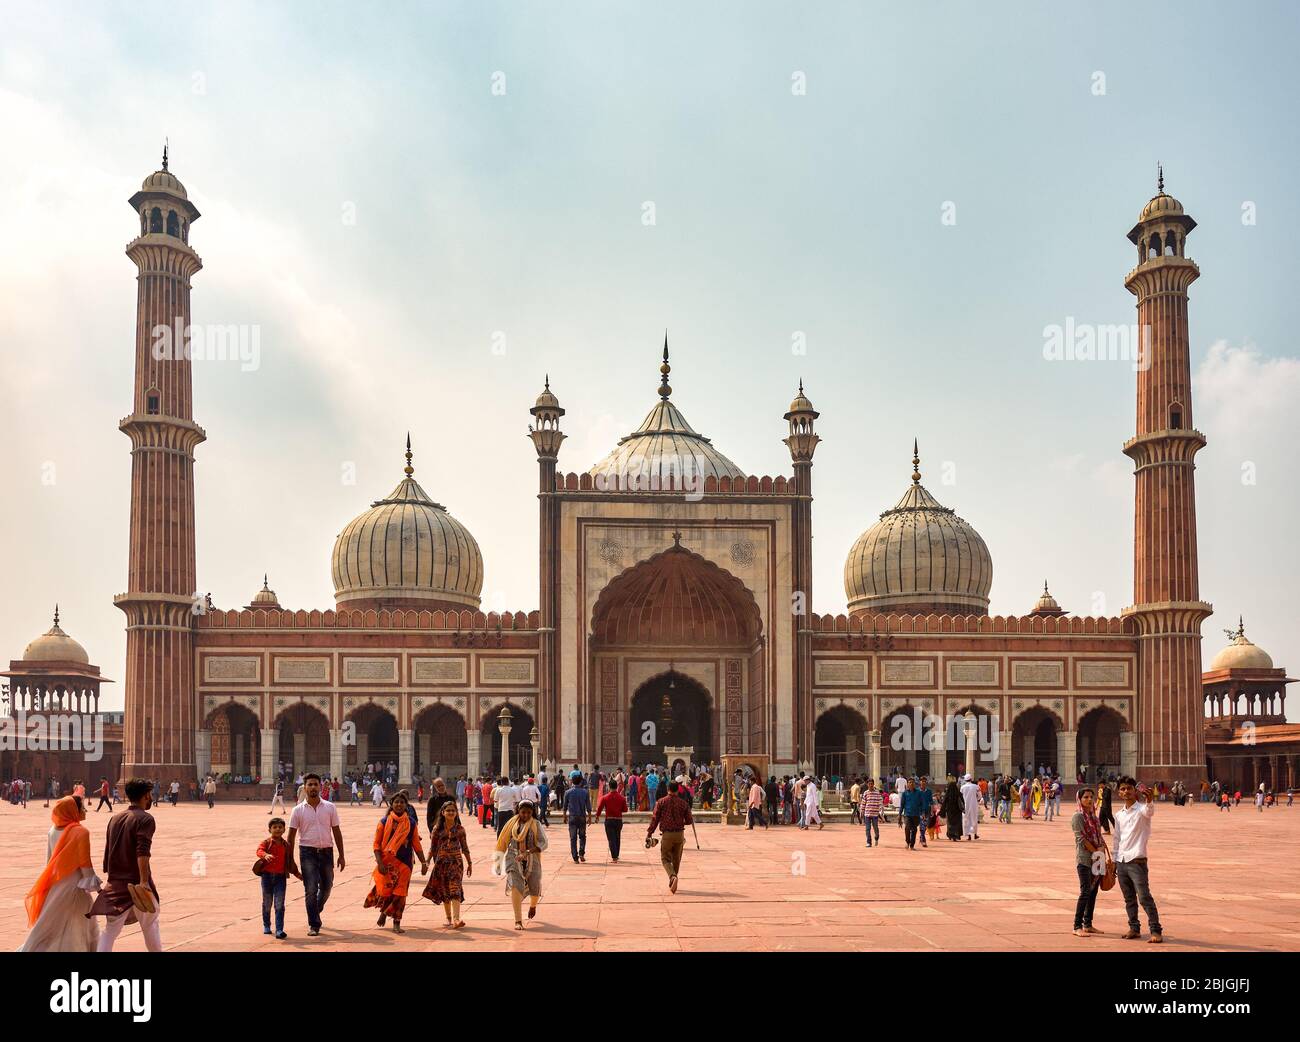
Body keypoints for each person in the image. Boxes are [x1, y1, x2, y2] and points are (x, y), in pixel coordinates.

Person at [88, 778, 162, 952]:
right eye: (150, 795)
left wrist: (110, 875)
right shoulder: (145, 819)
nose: (151, 798)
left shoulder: (116, 818)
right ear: (145, 796)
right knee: (150, 924)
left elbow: (109, 849)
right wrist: (144, 882)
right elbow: (142, 852)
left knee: (110, 930)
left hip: (116, 882)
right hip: (136, 883)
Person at [20, 795, 101, 952]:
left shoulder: (52, 831)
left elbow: (49, 863)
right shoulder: (81, 832)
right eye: (82, 808)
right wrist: (98, 888)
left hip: (56, 885)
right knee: (77, 923)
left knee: (50, 924)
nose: (84, 810)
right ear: (73, 811)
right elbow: (85, 865)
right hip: (75, 885)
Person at [285, 773, 346, 937]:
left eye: (315, 784)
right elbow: (290, 837)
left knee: (327, 887)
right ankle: (314, 923)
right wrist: (290, 860)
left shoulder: (330, 807)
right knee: (310, 889)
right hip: (307, 852)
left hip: (326, 851)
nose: (312, 787)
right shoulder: (297, 810)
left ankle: (315, 910)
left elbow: (337, 832)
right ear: (304, 788)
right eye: (309, 785)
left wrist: (342, 854)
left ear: (321, 787)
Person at [365, 790, 427, 934]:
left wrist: (423, 863)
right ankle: (384, 911)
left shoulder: (411, 823)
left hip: (405, 863)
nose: (399, 804)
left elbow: (416, 844)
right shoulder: (384, 822)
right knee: (387, 891)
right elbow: (376, 844)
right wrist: (380, 863)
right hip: (387, 862)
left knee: (401, 893)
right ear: (391, 804)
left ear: (406, 805)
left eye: (402, 802)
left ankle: (396, 921)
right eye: (396, 802)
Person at [1111, 776, 1162, 943]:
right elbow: (1117, 838)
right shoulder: (1118, 815)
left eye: (1129, 788)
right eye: (1123, 789)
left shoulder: (1142, 810)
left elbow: (1150, 811)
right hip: (1122, 860)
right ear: (1119, 792)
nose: (1126, 791)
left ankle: (1155, 930)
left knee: (1144, 897)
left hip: (1137, 860)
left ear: (1135, 791)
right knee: (1129, 898)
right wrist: (1114, 860)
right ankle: (1134, 928)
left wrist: (1149, 800)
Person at [494, 799, 546, 929]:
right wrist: (498, 863)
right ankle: (518, 920)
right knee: (516, 886)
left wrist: (528, 852)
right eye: (523, 812)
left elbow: (543, 842)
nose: (526, 815)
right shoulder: (511, 824)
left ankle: (533, 906)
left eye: (529, 813)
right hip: (513, 857)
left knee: (534, 885)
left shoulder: (536, 824)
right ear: (518, 811)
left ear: (532, 812)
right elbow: (502, 842)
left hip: (532, 857)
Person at [422, 800, 472, 927]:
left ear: (456, 813)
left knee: (455, 889)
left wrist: (470, 863)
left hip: (456, 864)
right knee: (445, 890)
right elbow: (432, 848)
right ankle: (449, 918)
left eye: (453, 810)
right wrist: (427, 862)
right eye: (448, 810)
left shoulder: (460, 829)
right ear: (443, 813)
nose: (450, 812)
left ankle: (456, 919)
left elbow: (465, 848)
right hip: (441, 864)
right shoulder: (437, 829)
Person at [1070, 787, 1107, 938]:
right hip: (1085, 859)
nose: (1089, 800)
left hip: (1098, 859)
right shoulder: (1078, 816)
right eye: (1085, 797)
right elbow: (1081, 839)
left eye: (1091, 797)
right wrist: (1096, 852)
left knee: (1093, 892)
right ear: (1080, 799)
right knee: (1085, 891)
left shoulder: (1094, 817)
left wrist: (1102, 851)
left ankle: (1088, 924)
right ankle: (1077, 926)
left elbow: (1099, 836)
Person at [256, 816, 300, 939]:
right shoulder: (266, 843)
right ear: (269, 830)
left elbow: (290, 862)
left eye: (280, 827)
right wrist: (265, 855)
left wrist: (298, 874)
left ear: (284, 830)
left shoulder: (286, 845)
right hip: (267, 877)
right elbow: (259, 851)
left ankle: (279, 929)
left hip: (280, 877)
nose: (277, 829)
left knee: (279, 903)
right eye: (274, 827)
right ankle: (267, 925)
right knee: (267, 902)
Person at [646, 781, 693, 893]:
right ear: (677, 790)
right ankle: (673, 878)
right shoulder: (683, 803)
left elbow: (655, 819)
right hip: (679, 834)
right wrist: (680, 821)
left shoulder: (661, 802)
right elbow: (689, 820)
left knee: (665, 858)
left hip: (667, 834)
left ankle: (672, 876)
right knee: (676, 860)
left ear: (668, 789)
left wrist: (650, 833)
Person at [593, 779, 628, 862]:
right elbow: (625, 810)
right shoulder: (622, 798)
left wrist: (597, 817)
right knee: (617, 837)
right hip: (618, 820)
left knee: (611, 839)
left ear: (609, 787)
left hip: (609, 820)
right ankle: (616, 855)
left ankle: (614, 856)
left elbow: (599, 809)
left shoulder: (605, 798)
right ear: (616, 787)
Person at [563, 776, 591, 863]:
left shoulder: (568, 792)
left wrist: (564, 817)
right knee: (582, 836)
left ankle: (575, 857)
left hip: (572, 817)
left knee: (573, 837)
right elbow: (588, 807)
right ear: (581, 782)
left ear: (572, 782)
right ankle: (581, 853)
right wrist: (589, 818)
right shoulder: (585, 792)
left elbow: (564, 807)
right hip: (582, 817)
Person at [900, 778, 923, 850]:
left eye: (912, 782)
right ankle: (907, 842)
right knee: (907, 827)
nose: (911, 784)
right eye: (909, 782)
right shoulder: (905, 793)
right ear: (907, 784)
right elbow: (902, 804)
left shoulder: (918, 793)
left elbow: (921, 803)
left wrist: (922, 813)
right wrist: (899, 814)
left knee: (914, 830)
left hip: (916, 814)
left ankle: (912, 845)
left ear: (915, 784)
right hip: (907, 814)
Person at [860, 778, 883, 847]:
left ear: (873, 784)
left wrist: (881, 813)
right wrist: (862, 811)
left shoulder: (877, 793)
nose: (870, 785)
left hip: (875, 814)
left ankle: (876, 837)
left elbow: (880, 803)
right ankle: (869, 842)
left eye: (872, 784)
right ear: (867, 785)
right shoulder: (866, 793)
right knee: (867, 828)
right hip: (867, 814)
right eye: (869, 784)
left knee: (875, 828)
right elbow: (863, 803)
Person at [941, 777, 963, 841]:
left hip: (950, 811)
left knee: (950, 823)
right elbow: (962, 801)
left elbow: (944, 802)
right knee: (957, 823)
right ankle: (956, 835)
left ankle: (951, 835)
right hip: (957, 811)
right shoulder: (958, 793)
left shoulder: (948, 794)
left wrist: (942, 810)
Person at [960, 774, 981, 840]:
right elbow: (980, 796)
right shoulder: (976, 786)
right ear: (971, 779)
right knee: (974, 819)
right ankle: (975, 834)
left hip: (965, 805)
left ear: (965, 780)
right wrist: (977, 800)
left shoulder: (962, 787)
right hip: (974, 805)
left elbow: (960, 797)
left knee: (966, 820)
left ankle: (968, 835)